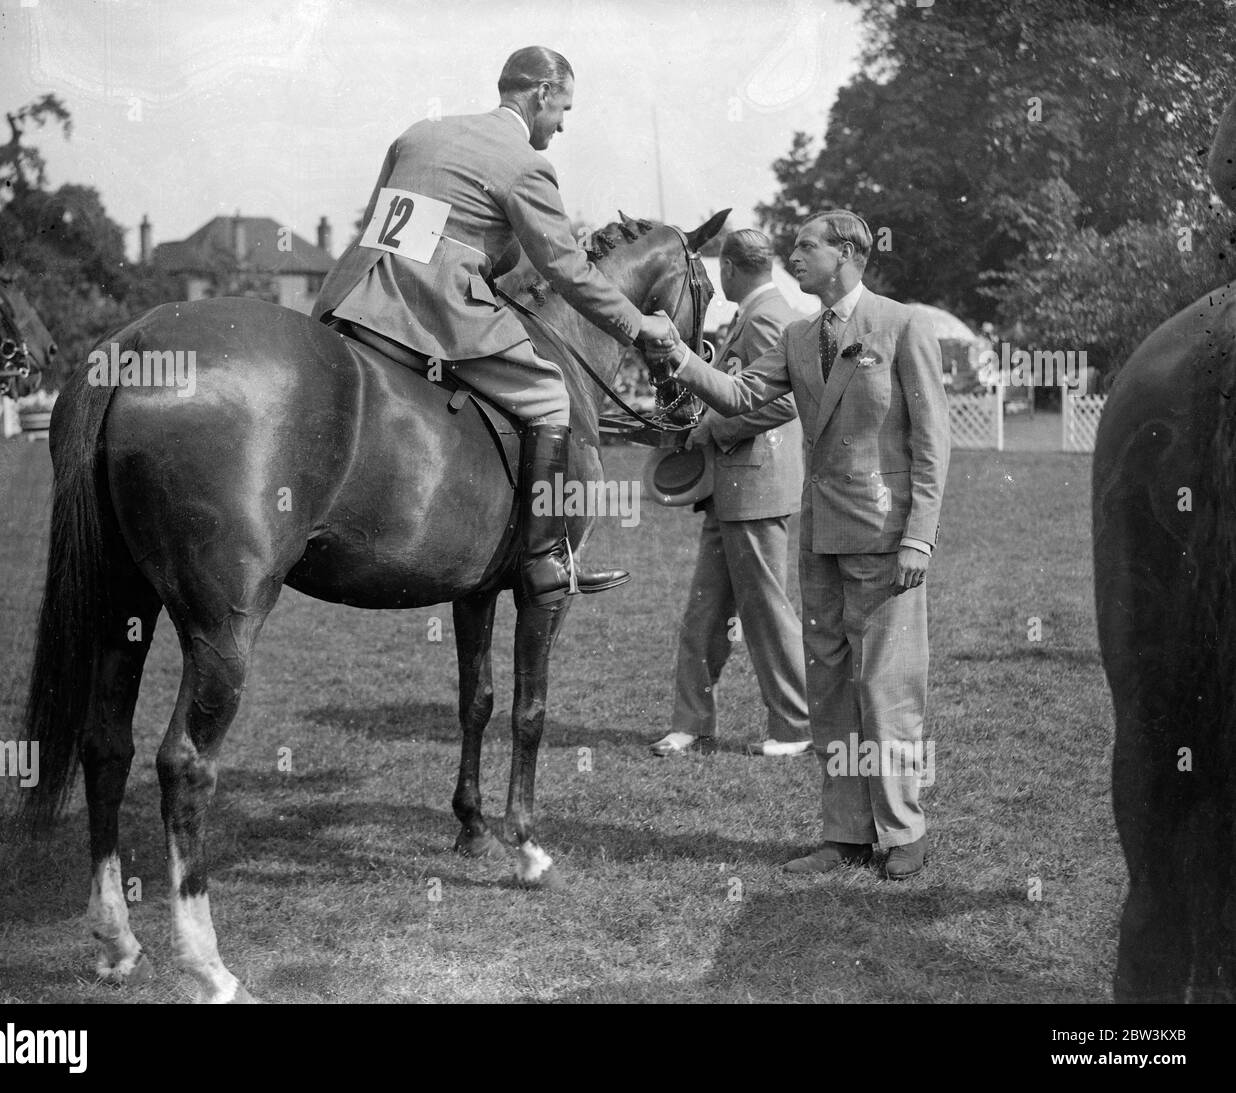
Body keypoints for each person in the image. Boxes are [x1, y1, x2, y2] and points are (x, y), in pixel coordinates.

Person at [313, 46, 678, 607]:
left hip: (356, 297)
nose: (561, 126)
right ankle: (543, 560)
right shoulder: (526, 164)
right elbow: (567, 268)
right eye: (564, 110)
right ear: (542, 95)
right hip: (430, 309)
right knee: (552, 396)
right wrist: (636, 325)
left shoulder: (419, 135)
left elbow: (383, 225)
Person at [645, 210, 950, 879]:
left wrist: (919, 540)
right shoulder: (796, 333)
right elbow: (742, 394)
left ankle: (902, 832)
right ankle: (844, 834)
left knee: (886, 686)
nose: (794, 255)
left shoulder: (903, 324)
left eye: (807, 246)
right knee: (832, 689)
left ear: (849, 253)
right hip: (820, 541)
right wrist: (677, 356)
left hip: (888, 541)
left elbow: (933, 444)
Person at [649, 229, 812, 759]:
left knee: (764, 611)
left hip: (757, 484)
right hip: (737, 487)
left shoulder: (769, 317)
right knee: (704, 612)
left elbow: (785, 404)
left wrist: (714, 430)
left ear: (732, 269)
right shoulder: (762, 312)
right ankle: (690, 723)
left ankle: (794, 725)